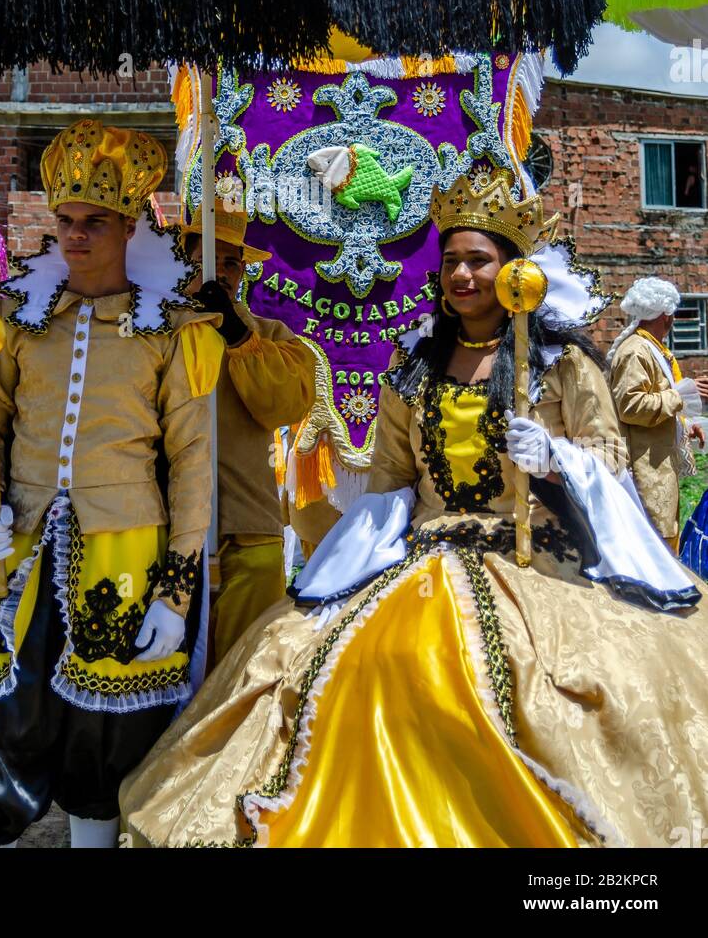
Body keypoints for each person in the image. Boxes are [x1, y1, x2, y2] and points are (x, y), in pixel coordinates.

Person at [119, 169, 708, 849]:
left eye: (478, 261)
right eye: (451, 260)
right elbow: (395, 475)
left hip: (538, 556)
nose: (462, 275)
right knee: (367, 661)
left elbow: (606, 459)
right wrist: (352, 553)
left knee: (536, 680)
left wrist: (554, 457)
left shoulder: (558, 362)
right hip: (426, 556)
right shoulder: (416, 361)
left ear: (513, 269)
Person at [0, 118, 224, 849]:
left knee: (105, 729)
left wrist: (176, 589)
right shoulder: (16, 319)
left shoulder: (172, 330)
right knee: (2, 712)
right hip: (17, 546)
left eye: (95, 221)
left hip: (125, 550)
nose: (76, 234)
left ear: (129, 227)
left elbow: (193, 464)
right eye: (66, 220)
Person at [182, 200, 317, 664]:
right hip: (170, 526)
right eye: (206, 260)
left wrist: (238, 337)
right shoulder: (155, 332)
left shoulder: (272, 335)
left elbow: (284, 405)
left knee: (246, 664)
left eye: (231, 263)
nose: (219, 272)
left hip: (248, 526)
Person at [608, 278, 704, 553]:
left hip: (658, 459)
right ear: (666, 315)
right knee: (652, 536)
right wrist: (682, 394)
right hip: (643, 463)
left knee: (664, 529)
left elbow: (658, 398)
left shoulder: (652, 348)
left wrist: (686, 426)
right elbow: (631, 406)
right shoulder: (636, 350)